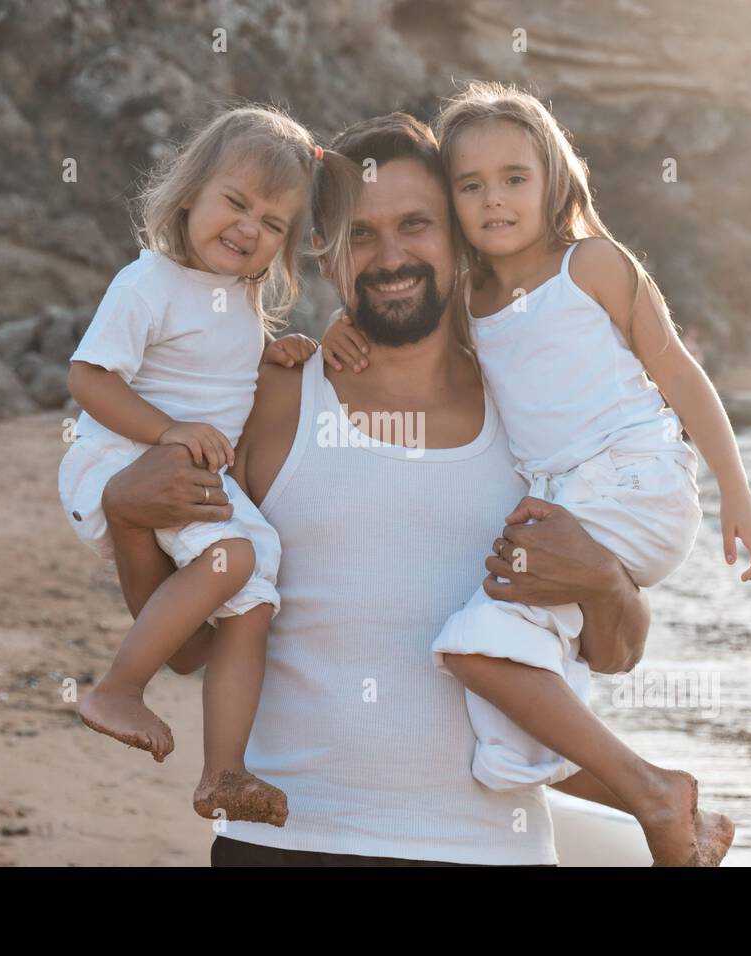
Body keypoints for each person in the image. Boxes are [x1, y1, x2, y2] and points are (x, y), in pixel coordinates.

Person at [106, 111, 653, 866]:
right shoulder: (270, 400)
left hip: (495, 851)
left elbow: (614, 651)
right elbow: (193, 648)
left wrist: (602, 580)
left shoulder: (533, 408)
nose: (391, 255)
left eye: (416, 224)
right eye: (361, 234)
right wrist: (127, 519)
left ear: (460, 237)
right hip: (288, 842)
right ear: (326, 255)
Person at [323, 82, 751, 865]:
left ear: (553, 178)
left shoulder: (591, 265)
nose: (494, 199)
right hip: (568, 501)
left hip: (634, 484)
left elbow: (681, 373)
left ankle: (659, 798)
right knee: (499, 742)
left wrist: (738, 493)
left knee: (472, 651)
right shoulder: (469, 301)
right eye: (471, 185)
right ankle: (669, 802)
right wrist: (336, 325)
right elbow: (403, 323)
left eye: (514, 178)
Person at [58, 105, 355, 827]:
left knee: (256, 586)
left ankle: (224, 769)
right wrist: (168, 432)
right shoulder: (146, 282)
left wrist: (271, 351)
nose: (250, 228)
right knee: (236, 554)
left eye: (274, 224)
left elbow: (211, 364)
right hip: (123, 458)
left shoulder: (240, 296)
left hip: (186, 466)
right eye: (236, 202)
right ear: (190, 192)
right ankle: (118, 688)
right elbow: (89, 379)